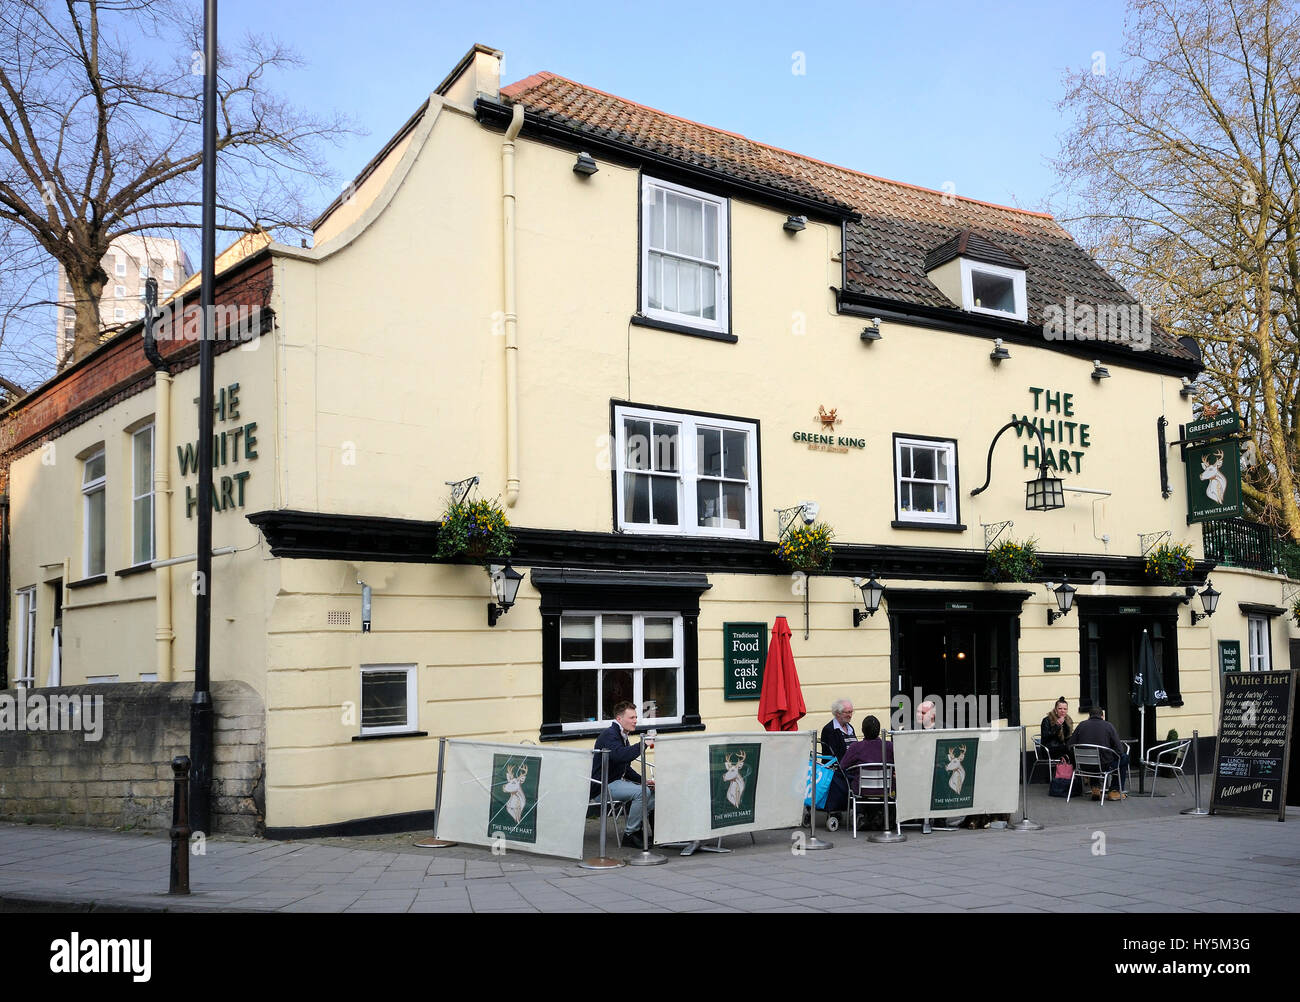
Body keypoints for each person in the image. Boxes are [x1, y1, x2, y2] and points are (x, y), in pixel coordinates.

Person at [591, 701, 656, 847]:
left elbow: (625, 767)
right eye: (631, 718)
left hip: (615, 782)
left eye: (635, 717)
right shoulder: (609, 735)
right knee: (642, 793)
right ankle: (630, 834)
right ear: (619, 719)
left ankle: (648, 833)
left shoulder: (621, 735)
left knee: (652, 792)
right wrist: (643, 744)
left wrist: (643, 780)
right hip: (602, 786)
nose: (635, 721)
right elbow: (621, 756)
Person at [1068, 706, 1129, 800]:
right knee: (1124, 758)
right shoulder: (1108, 726)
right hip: (1103, 766)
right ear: (1102, 716)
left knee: (1095, 760)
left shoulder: (1081, 725)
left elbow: (1070, 745)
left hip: (1083, 765)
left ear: (1089, 716)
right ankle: (1114, 791)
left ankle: (1095, 789)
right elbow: (1120, 750)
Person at [839, 715, 894, 796]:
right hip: (887, 790)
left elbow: (842, 766)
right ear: (879, 730)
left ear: (862, 730)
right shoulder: (890, 746)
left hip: (862, 791)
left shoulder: (855, 747)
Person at [820, 698, 856, 762]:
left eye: (851, 712)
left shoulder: (850, 728)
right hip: (837, 770)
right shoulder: (829, 730)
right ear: (838, 713)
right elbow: (836, 756)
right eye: (847, 712)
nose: (850, 715)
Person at [1040, 697, 1074, 764]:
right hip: (1049, 749)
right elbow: (1045, 737)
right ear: (1055, 710)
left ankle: (1073, 772)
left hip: (1062, 748)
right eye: (1060, 708)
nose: (1062, 711)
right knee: (1068, 750)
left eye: (1065, 709)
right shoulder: (1047, 720)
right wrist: (1057, 726)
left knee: (1074, 749)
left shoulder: (1068, 720)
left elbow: (1068, 737)